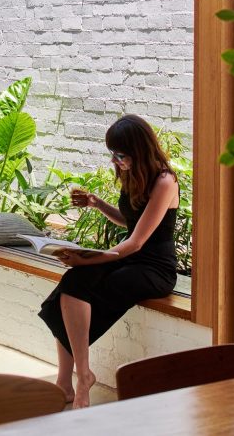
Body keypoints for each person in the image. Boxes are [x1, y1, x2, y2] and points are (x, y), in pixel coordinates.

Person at [38, 114, 179, 408]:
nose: (115, 161)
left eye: (120, 155)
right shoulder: (133, 174)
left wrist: (88, 259)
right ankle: (67, 381)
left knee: (90, 286)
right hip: (130, 257)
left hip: (154, 267)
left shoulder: (165, 181)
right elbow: (129, 222)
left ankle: (83, 376)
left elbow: (137, 242)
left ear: (139, 150)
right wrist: (96, 203)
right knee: (72, 283)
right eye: (112, 155)